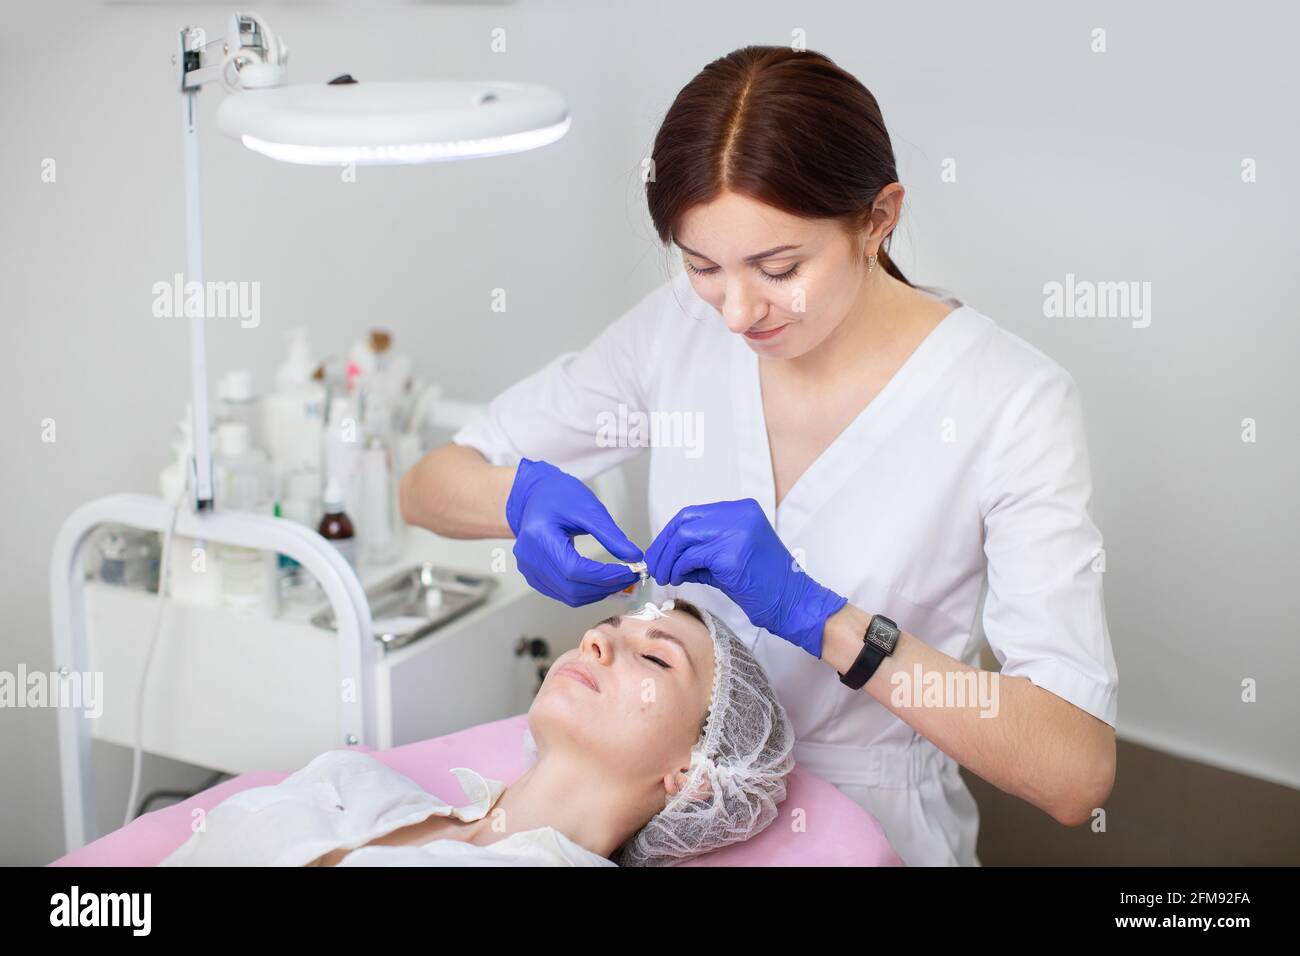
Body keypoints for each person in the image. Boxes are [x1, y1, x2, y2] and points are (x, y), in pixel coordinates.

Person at [400, 45, 1118, 866]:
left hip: (872, 823)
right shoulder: (677, 327)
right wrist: (516, 502)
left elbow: (1074, 771)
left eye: (778, 268)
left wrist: (829, 622)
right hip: (658, 819)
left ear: (878, 218)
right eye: (703, 265)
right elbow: (426, 488)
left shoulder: (1009, 401)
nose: (737, 312)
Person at [156, 598, 794, 867]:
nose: (596, 639)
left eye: (656, 659)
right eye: (608, 628)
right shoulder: (356, 781)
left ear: (694, 778)